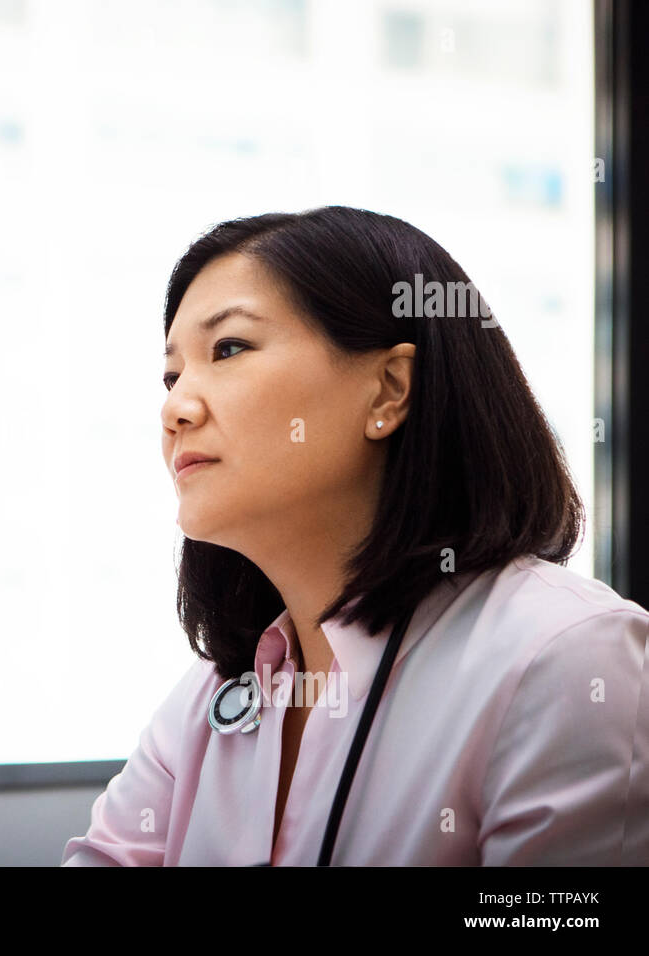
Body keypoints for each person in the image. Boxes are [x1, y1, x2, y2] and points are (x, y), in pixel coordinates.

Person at [61, 206, 649, 866]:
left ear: (388, 391)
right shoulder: (212, 696)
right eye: (172, 375)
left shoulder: (567, 654)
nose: (175, 408)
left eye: (229, 349)